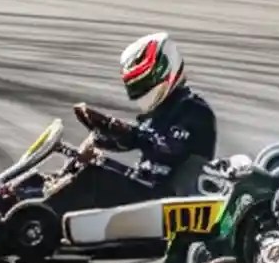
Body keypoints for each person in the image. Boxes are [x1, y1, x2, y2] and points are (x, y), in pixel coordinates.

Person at [66, 32, 218, 209]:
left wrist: (123, 130)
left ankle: (43, 219)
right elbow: (136, 140)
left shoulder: (194, 110)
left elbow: (167, 147)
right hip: (148, 188)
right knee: (92, 165)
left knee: (93, 177)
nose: (141, 91)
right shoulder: (159, 112)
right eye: (135, 86)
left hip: (171, 202)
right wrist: (100, 136)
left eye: (144, 84)